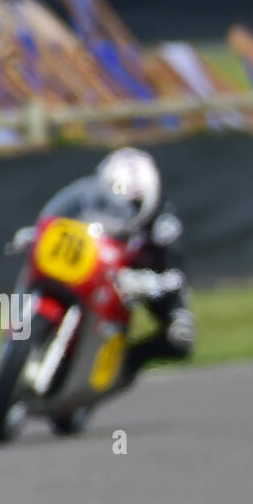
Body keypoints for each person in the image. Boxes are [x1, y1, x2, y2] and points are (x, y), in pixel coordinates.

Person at [92, 148, 196, 383]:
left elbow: (177, 275)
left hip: (144, 279)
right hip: (97, 272)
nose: (124, 208)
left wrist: (144, 281)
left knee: (180, 337)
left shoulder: (163, 221)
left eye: (133, 202)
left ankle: (125, 365)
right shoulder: (89, 206)